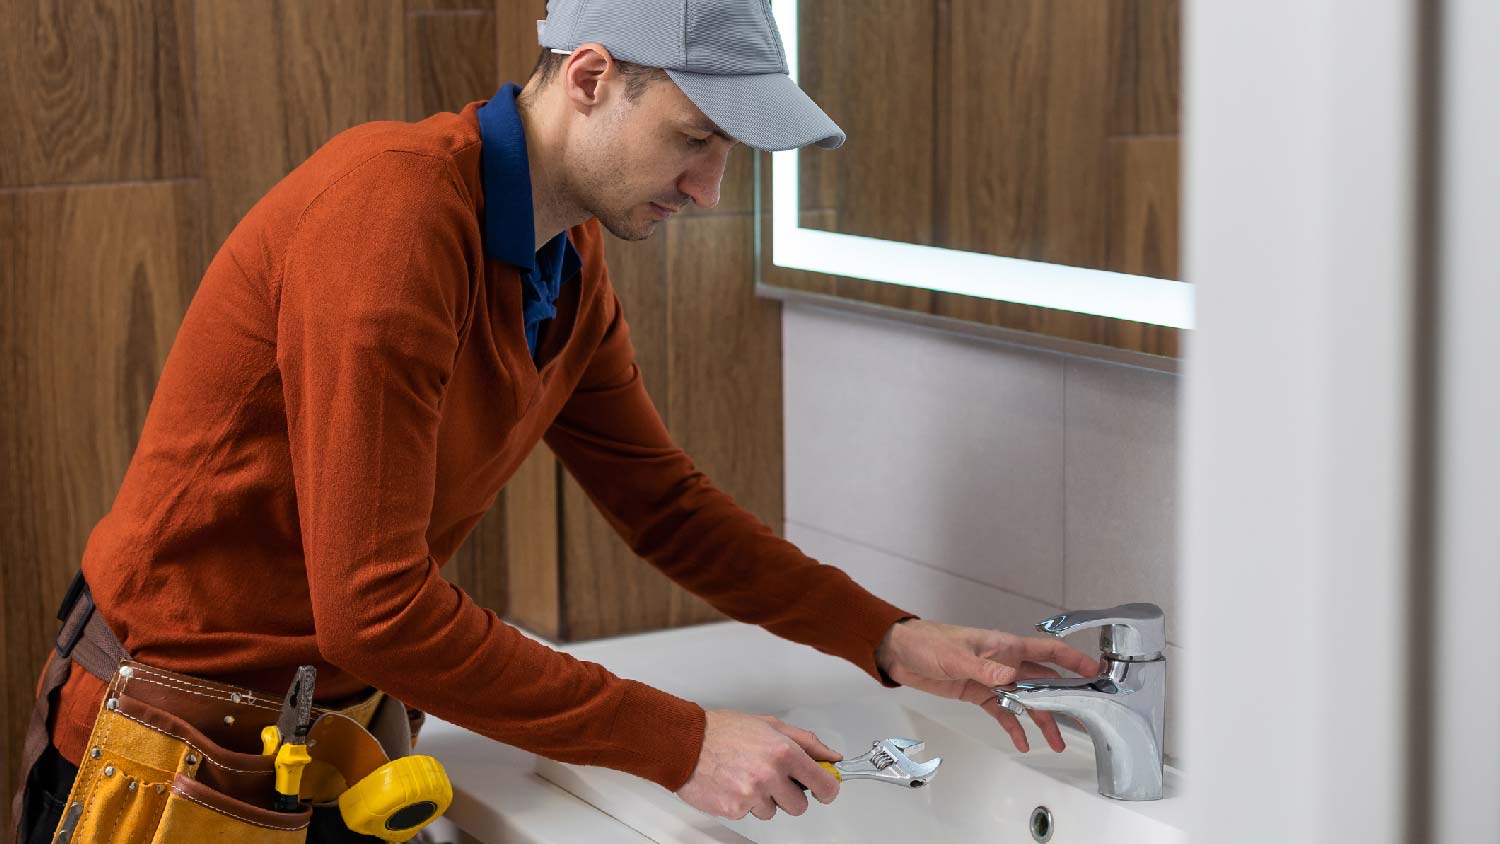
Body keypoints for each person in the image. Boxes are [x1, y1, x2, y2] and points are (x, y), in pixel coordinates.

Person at [12, 1, 1099, 842]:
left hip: (318, 741)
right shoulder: (390, 226)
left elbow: (666, 508)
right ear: (591, 78)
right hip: (165, 753)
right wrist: (679, 743)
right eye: (694, 138)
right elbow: (378, 611)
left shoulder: (559, 259)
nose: (712, 189)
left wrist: (889, 638)